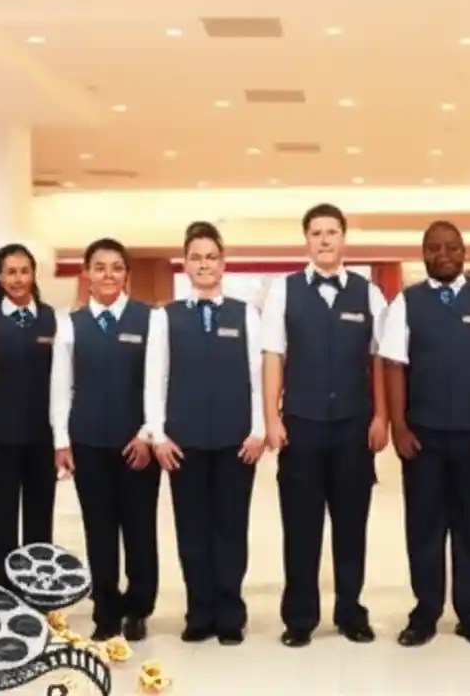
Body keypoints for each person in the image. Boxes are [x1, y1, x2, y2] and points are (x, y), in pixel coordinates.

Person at [261, 203, 389, 648]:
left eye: (332, 232)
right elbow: (273, 356)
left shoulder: (370, 294)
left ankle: (351, 612)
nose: (324, 240)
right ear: (306, 240)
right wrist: (271, 417)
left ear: (343, 238)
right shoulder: (284, 290)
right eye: (316, 233)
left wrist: (381, 415)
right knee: (301, 525)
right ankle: (299, 617)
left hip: (354, 426)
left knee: (351, 525)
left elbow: (380, 360)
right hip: (301, 425)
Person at [378, 221, 470, 648]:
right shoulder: (406, 303)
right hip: (423, 438)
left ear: (464, 252)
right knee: (424, 527)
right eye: (434, 248)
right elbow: (394, 365)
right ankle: (426, 611)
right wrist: (399, 426)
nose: (444, 254)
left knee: (469, 527)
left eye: (452, 247)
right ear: (423, 254)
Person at [144, 221, 264, 645]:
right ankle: (199, 612)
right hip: (184, 443)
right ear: (185, 264)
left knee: (231, 528)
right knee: (192, 530)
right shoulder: (166, 317)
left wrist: (259, 429)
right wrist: (158, 435)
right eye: (196, 258)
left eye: (211, 257)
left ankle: (230, 612)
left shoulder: (245, 314)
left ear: (223, 263)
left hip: (237, 441)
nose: (204, 264)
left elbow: (258, 376)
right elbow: (155, 379)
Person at [50, 238, 158, 642]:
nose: (108, 275)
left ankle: (139, 607)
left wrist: (148, 433)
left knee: (139, 528)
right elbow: (61, 387)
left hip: (137, 444)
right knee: (99, 530)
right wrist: (62, 440)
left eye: (116, 267)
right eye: (100, 267)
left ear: (126, 274)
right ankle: (106, 611)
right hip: (89, 442)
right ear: (86, 275)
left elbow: (158, 382)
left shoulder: (150, 319)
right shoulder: (70, 325)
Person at [0, 243, 58, 588]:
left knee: (40, 522)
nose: (18, 279)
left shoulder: (53, 319)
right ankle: (6, 596)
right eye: (11, 272)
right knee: (3, 523)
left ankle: (38, 594)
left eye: (25, 271)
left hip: (42, 439)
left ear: (34, 274)